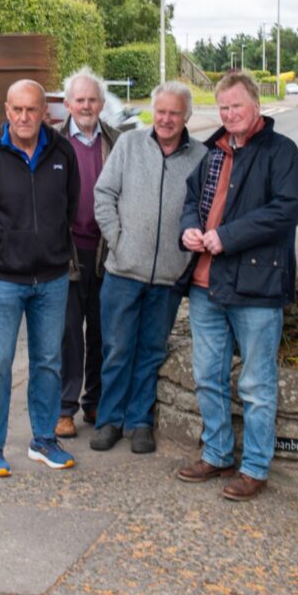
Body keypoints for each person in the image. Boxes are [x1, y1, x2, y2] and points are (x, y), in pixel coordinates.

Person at [176, 71, 298, 501]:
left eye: (237, 106)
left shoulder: (282, 153)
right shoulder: (212, 153)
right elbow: (191, 202)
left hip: (256, 286)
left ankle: (254, 467)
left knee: (255, 383)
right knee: (207, 376)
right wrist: (190, 230)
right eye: (224, 107)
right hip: (205, 284)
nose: (230, 114)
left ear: (257, 106)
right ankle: (216, 454)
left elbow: (284, 211)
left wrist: (227, 236)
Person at [0, 78, 81, 478]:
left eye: (32, 109)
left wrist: (53, 251)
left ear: (45, 112)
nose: (24, 117)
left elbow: (70, 205)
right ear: (6, 111)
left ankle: (43, 440)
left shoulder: (62, 152)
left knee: (48, 362)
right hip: (2, 282)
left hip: (52, 279)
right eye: (17, 110)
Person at [90, 80, 207, 454]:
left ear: (186, 116)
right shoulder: (129, 145)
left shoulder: (201, 156)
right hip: (123, 271)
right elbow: (103, 194)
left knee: (151, 350)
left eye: (174, 113)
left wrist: (187, 258)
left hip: (169, 277)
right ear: (152, 113)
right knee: (117, 348)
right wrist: (118, 241)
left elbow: (206, 212)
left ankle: (140, 421)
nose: (166, 119)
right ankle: (110, 420)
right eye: (161, 112)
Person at [55, 67, 119, 439]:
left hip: (106, 253)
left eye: (92, 99)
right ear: (68, 104)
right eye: (79, 99)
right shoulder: (54, 142)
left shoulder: (117, 141)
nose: (86, 105)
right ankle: (65, 409)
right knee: (67, 335)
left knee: (100, 332)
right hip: (67, 253)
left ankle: (94, 401)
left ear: (102, 103)